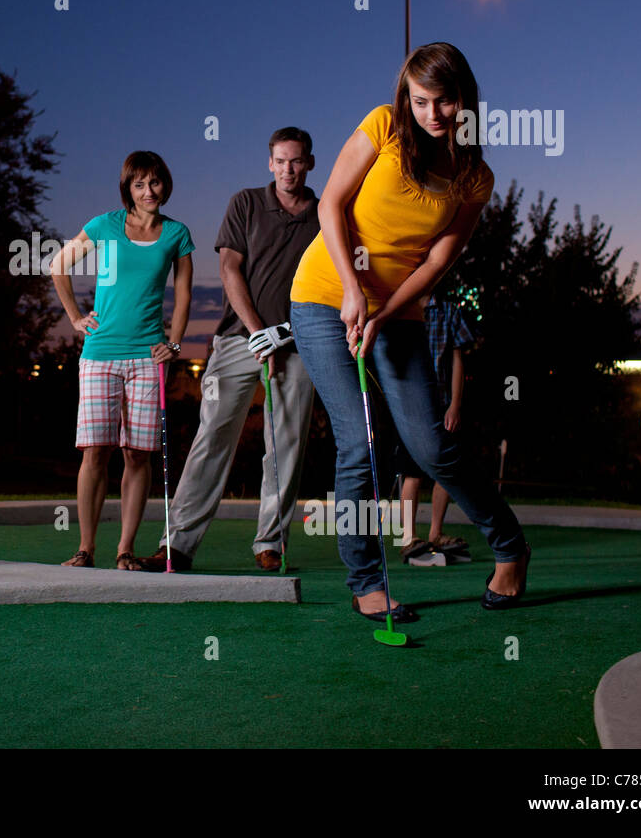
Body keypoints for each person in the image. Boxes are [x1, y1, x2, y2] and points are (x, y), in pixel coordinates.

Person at [289, 42, 530, 623]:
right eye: (420, 100)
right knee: (361, 441)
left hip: (398, 310)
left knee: (431, 448)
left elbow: (437, 262)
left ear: (465, 101)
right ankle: (367, 581)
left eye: (443, 101)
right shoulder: (383, 126)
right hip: (324, 293)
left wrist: (381, 309)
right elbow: (332, 207)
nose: (431, 113)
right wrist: (353, 290)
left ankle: (511, 547)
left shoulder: (475, 178)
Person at [138, 128, 320, 572]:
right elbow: (228, 266)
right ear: (269, 163)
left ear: (309, 163)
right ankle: (177, 544)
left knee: (285, 443)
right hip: (238, 340)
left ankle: (270, 542)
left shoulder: (323, 214)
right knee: (212, 436)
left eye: (296, 161)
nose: (288, 170)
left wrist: (285, 333)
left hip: (297, 346)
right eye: (280, 161)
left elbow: (327, 285)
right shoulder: (247, 203)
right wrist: (260, 331)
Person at [50, 151, 194, 570]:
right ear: (127, 188)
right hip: (99, 355)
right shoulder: (104, 226)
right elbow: (58, 266)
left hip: (148, 357)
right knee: (95, 451)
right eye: (139, 184)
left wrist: (176, 343)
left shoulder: (176, 234)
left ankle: (124, 550)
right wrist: (76, 317)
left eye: (155, 183)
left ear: (165, 184)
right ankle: (85, 548)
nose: (149, 192)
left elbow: (183, 294)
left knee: (137, 455)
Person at [398, 293, 476, 565]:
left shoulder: (449, 312)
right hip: (409, 403)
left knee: (445, 469)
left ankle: (435, 532)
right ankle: (408, 537)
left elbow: (457, 361)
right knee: (412, 473)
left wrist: (455, 405)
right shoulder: (401, 307)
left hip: (442, 404)